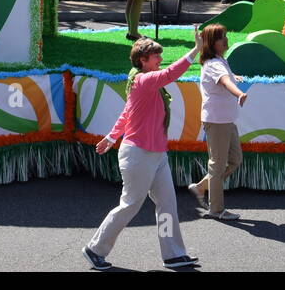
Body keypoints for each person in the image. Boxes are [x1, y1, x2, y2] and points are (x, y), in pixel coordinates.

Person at [84, 32, 207, 271]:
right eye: (155, 56)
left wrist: (110, 137)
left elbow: (128, 113)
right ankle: (94, 249)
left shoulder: (143, 82)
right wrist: (196, 50)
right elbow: (171, 74)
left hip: (157, 154)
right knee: (130, 204)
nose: (160, 59)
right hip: (138, 155)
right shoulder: (142, 81)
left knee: (168, 204)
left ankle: (173, 254)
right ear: (143, 60)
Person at [187, 24, 248, 220]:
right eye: (222, 38)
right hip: (217, 121)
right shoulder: (214, 64)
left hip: (227, 120)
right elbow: (224, 81)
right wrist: (239, 93)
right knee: (217, 166)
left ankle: (201, 187)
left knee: (235, 159)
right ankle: (216, 209)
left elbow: (227, 77)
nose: (226, 40)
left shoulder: (220, 60)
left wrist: (234, 76)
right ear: (213, 43)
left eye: (226, 36)